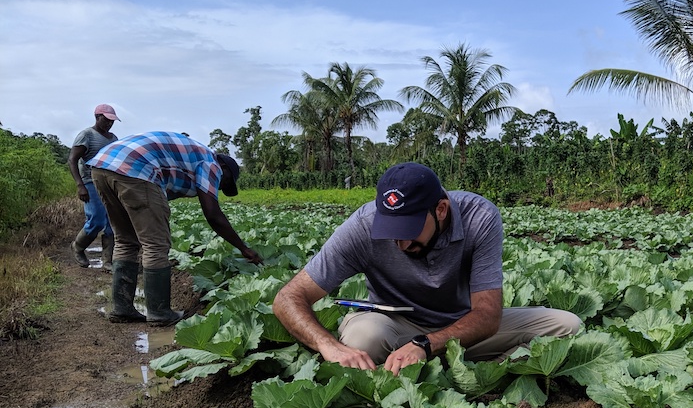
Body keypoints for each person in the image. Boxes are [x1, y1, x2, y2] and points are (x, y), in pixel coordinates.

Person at [272, 162, 582, 374]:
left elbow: (487, 315)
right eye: (390, 230)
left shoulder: (480, 218)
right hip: (395, 328)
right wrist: (329, 347)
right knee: (363, 336)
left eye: (409, 230)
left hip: (464, 329)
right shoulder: (362, 226)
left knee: (566, 326)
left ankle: (462, 375)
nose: (400, 243)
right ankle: (467, 373)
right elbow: (289, 297)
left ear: (441, 210)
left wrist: (426, 345)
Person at [88, 131, 263, 326]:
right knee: (155, 244)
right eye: (226, 182)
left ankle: (122, 309)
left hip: (103, 165)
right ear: (224, 168)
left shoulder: (190, 160)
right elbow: (213, 215)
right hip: (135, 167)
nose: (220, 186)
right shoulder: (211, 164)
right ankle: (159, 312)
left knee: (125, 240)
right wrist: (244, 248)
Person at [68, 104, 119, 269]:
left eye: (112, 121)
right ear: (97, 117)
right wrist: (80, 185)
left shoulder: (113, 139)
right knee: (97, 220)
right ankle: (78, 246)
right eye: (107, 120)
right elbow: (72, 160)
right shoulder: (86, 135)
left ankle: (108, 261)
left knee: (112, 222)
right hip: (90, 182)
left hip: (109, 183)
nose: (109, 124)